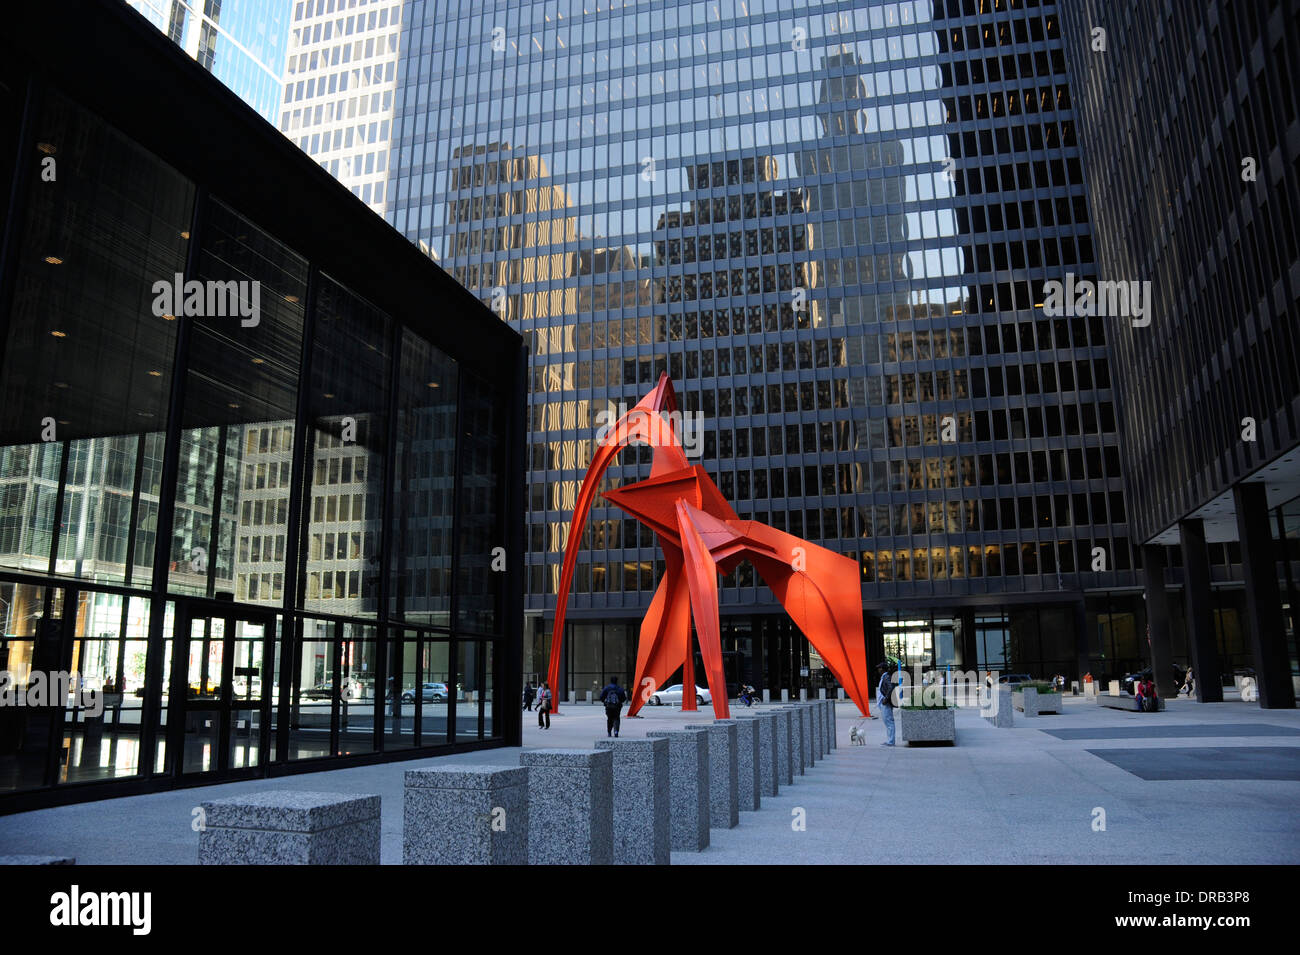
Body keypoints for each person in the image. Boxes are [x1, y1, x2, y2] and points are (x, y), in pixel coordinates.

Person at [876, 662, 896, 746]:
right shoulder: (884, 677)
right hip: (883, 703)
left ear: (882, 669)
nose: (878, 670)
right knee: (887, 722)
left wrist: (886, 699)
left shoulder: (887, 677)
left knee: (889, 722)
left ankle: (891, 741)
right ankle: (889, 740)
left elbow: (891, 687)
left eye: (879, 668)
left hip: (886, 703)